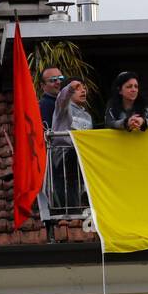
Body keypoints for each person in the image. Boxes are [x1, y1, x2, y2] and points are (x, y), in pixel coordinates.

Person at [49, 81, 93, 210]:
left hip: (80, 159)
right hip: (63, 157)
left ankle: (87, 192)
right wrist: (70, 87)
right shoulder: (63, 108)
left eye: (84, 88)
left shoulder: (88, 116)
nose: (83, 91)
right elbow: (62, 98)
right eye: (78, 89)